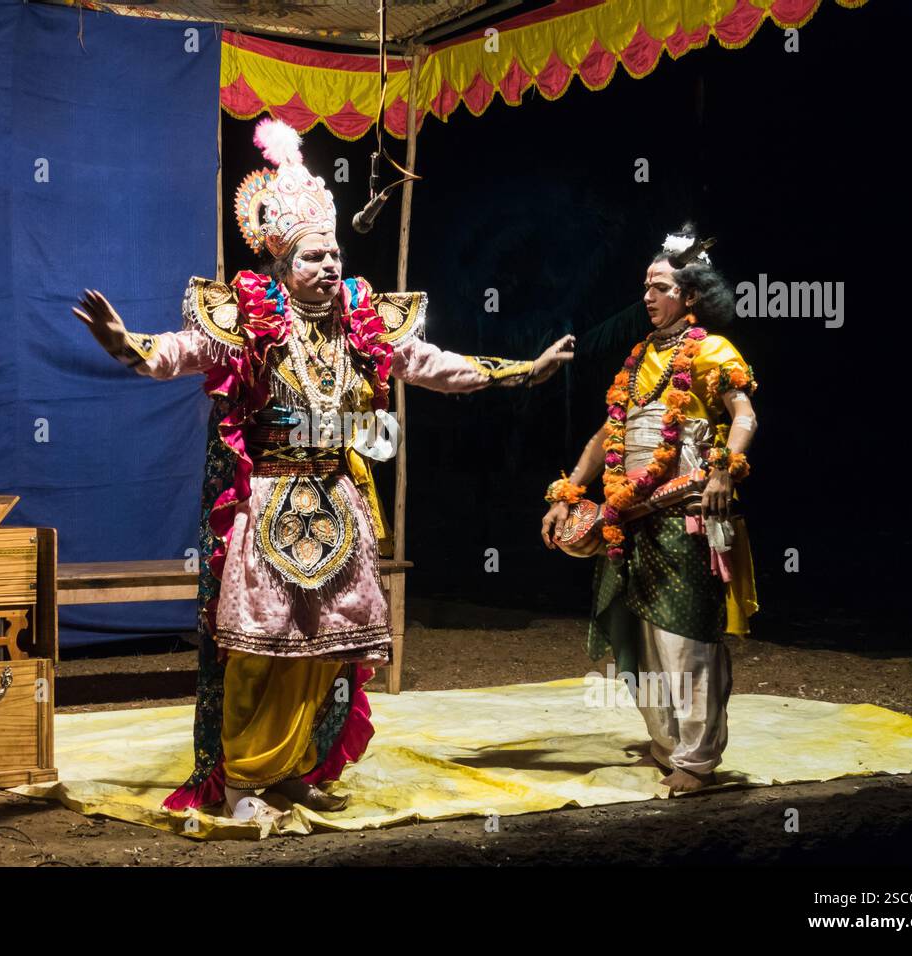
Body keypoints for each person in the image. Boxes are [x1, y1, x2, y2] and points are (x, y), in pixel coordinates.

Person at [75, 119, 575, 818]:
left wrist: (521, 371)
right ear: (281, 265)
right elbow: (178, 353)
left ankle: (298, 767)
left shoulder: (364, 321)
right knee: (263, 648)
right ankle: (247, 778)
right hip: (268, 502)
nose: (330, 265)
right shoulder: (246, 320)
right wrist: (126, 343)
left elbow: (436, 366)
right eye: (313, 256)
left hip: (338, 502)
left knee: (328, 651)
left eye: (335, 253)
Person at [542, 226, 759, 794]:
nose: (647, 296)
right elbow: (605, 434)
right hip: (628, 524)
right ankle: (668, 745)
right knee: (636, 642)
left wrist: (720, 470)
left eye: (659, 286)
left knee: (686, 641)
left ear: (690, 296)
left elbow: (745, 417)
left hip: (685, 518)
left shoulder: (712, 352)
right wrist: (569, 491)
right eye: (645, 286)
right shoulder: (637, 361)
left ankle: (695, 758)